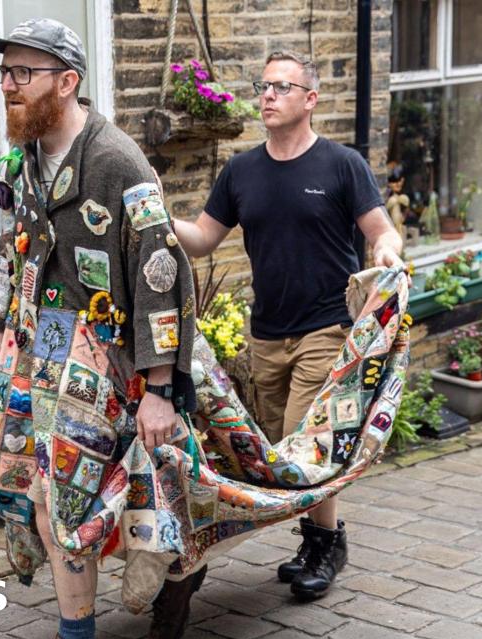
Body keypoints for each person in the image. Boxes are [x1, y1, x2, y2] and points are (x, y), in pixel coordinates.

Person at [0, 19, 201, 639]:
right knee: (46, 488)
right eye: (4, 73)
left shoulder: (117, 162)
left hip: (115, 351)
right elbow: (12, 250)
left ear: (68, 81)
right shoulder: (21, 159)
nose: (9, 87)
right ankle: (103, 615)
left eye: (23, 73)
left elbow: (162, 273)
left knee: (70, 496)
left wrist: (159, 389)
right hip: (44, 347)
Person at [171, 49, 404, 600]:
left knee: (307, 444)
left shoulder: (341, 165)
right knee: (281, 447)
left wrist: (389, 252)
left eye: (281, 86)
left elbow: (380, 228)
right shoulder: (242, 170)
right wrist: (156, 214)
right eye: (264, 86)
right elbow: (204, 240)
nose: (268, 95)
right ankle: (317, 538)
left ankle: (325, 547)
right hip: (266, 333)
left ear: (310, 99)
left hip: (325, 328)